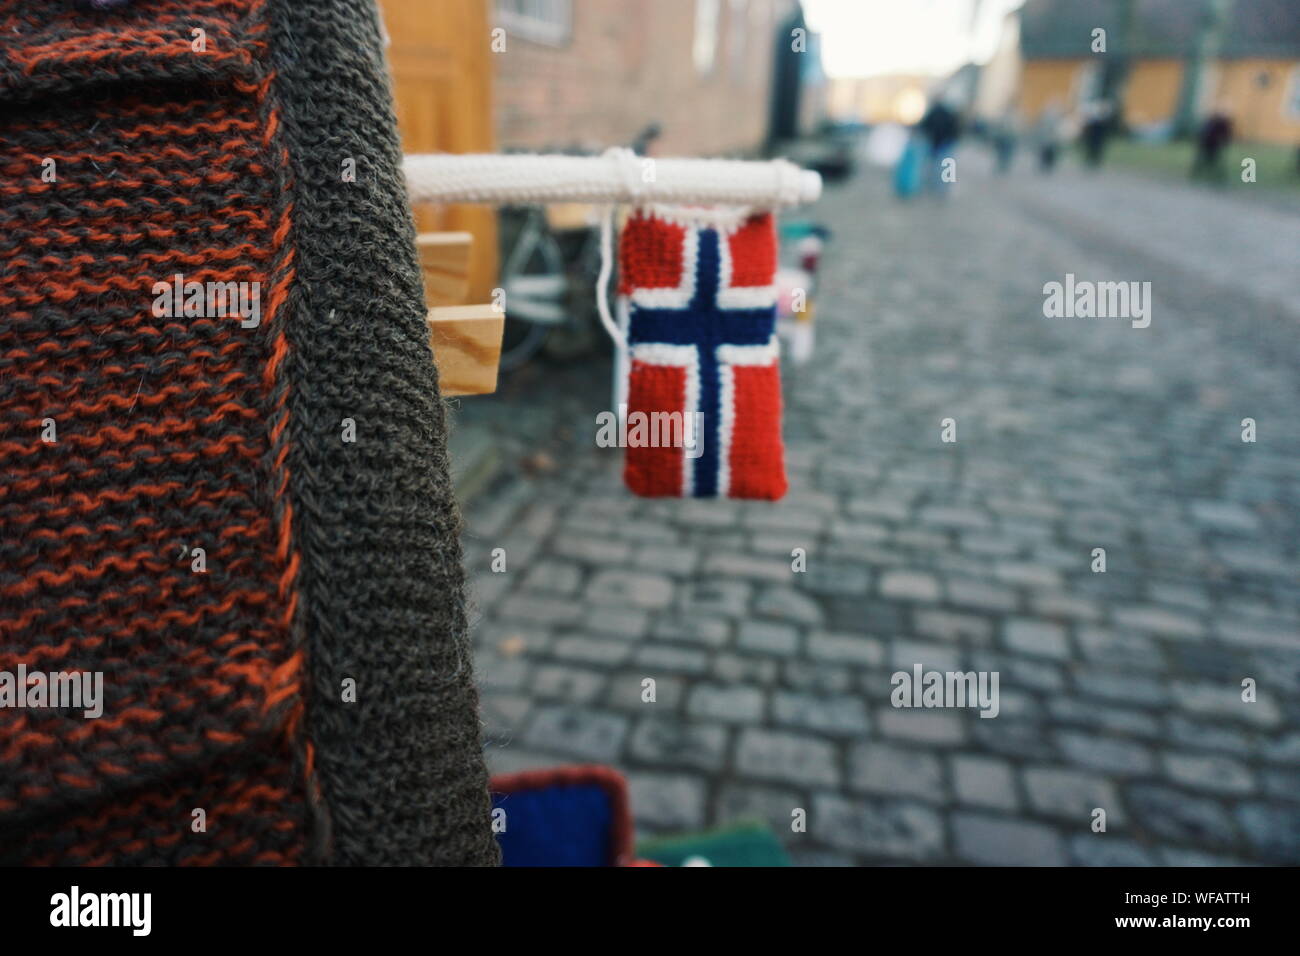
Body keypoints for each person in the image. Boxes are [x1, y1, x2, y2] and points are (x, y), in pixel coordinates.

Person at [917, 96, 962, 194]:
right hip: (944, 143)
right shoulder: (949, 114)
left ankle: (933, 186)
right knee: (944, 167)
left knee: (933, 166)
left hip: (937, 143)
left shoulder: (934, 113)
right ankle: (941, 188)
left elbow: (924, 126)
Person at [1190, 109, 1233, 183]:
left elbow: (1225, 135)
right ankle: (1200, 172)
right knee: (1207, 158)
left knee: (1208, 159)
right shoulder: (1217, 123)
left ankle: (1204, 172)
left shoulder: (1215, 122)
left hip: (1210, 143)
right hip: (1208, 143)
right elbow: (1224, 135)